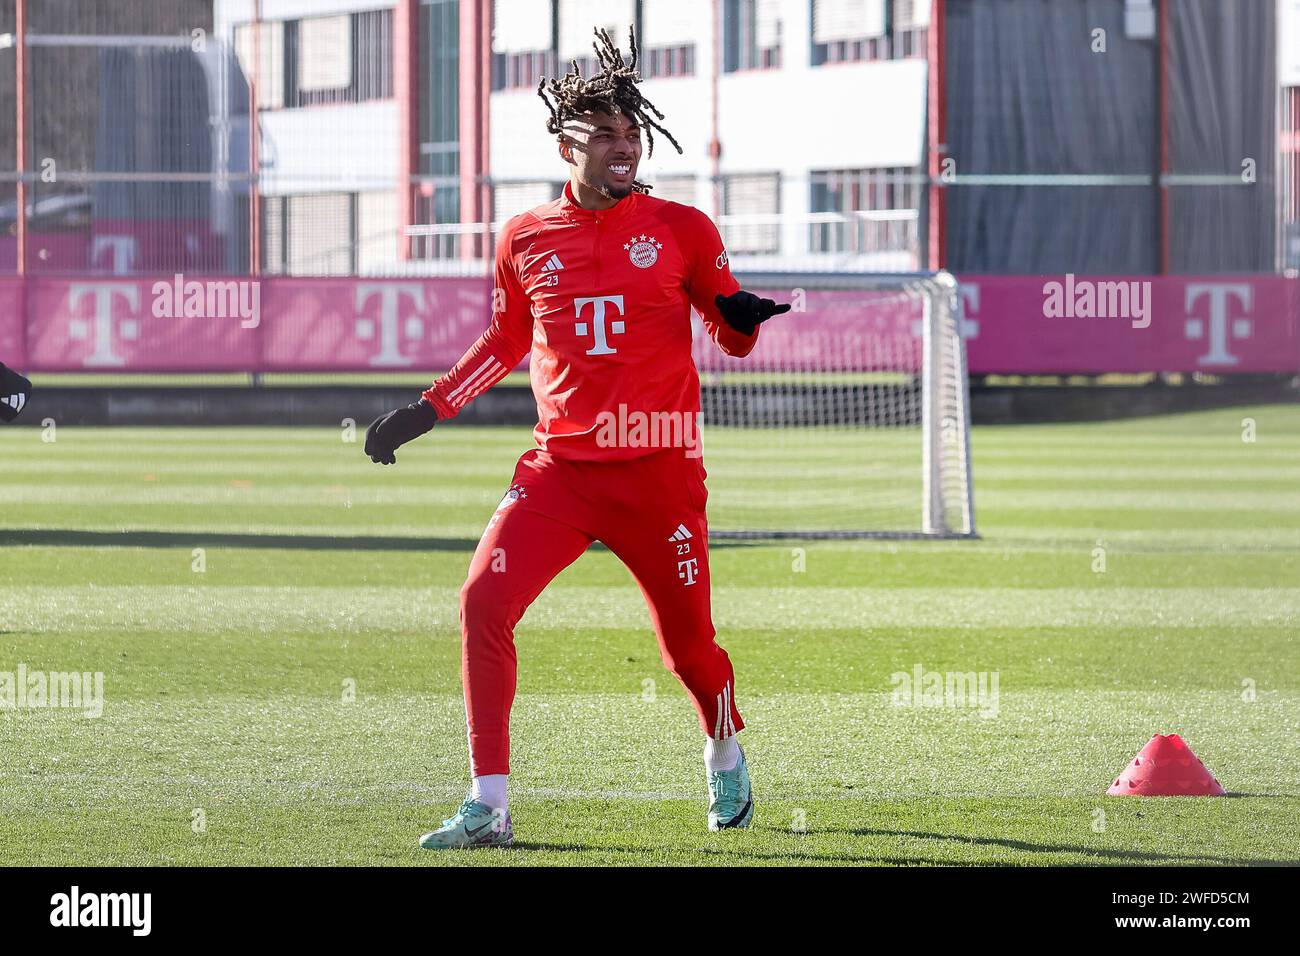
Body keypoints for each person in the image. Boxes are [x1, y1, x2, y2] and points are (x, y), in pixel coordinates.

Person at [365, 27, 790, 849]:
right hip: (559, 473)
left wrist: (740, 320)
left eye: (631, 133)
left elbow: (729, 327)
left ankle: (724, 745)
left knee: (689, 653)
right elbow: (503, 341)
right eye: (605, 135)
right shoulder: (524, 237)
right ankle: (488, 803)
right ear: (567, 145)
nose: (623, 146)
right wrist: (427, 409)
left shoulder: (681, 228)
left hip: (659, 472)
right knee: (482, 602)